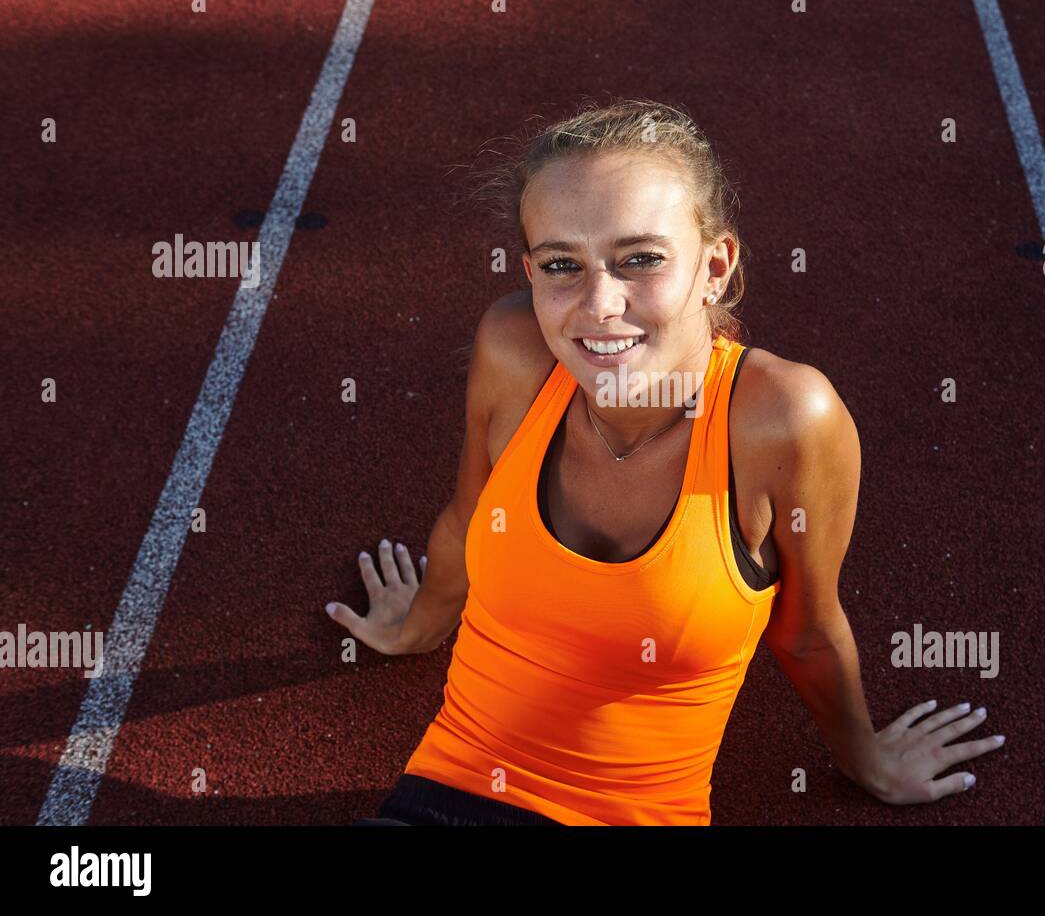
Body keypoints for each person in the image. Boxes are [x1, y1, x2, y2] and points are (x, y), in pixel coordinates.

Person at [328, 97, 1005, 826]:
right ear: (528, 271)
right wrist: (419, 624)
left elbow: (806, 630)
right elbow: (471, 518)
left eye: (640, 259)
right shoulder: (513, 349)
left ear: (715, 265)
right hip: (443, 801)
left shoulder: (781, 419)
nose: (599, 303)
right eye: (562, 264)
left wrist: (865, 759)